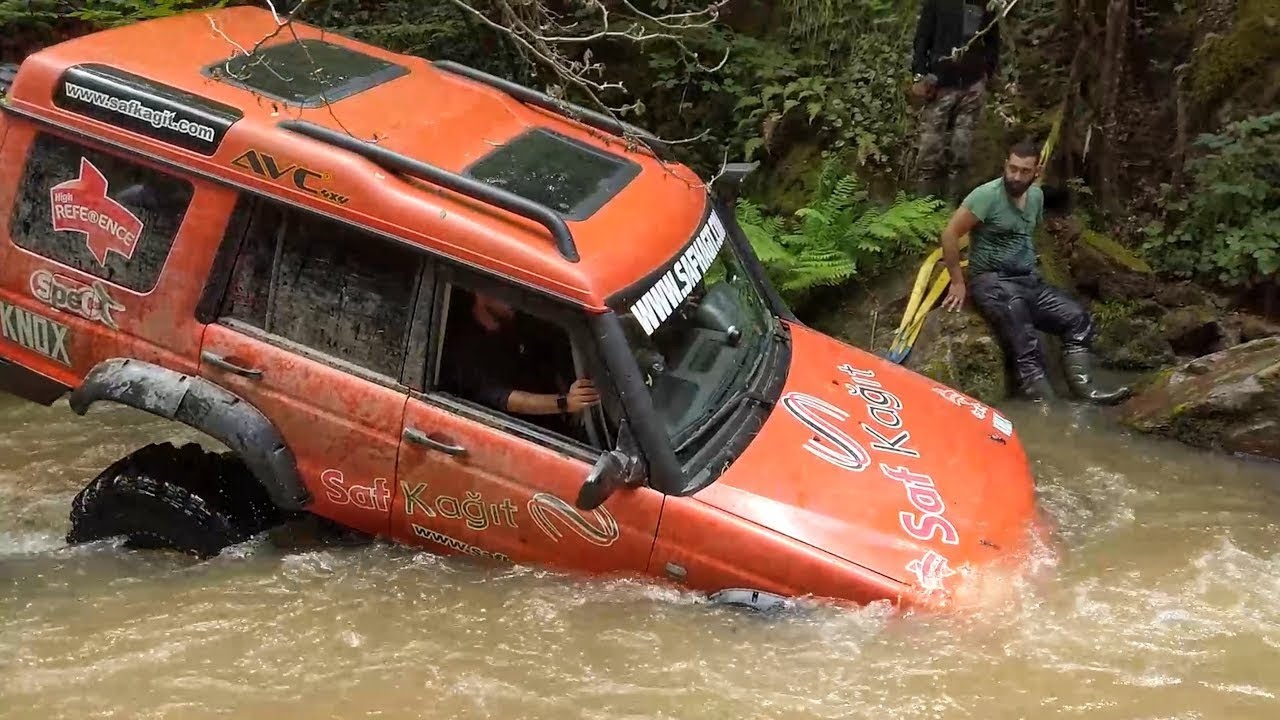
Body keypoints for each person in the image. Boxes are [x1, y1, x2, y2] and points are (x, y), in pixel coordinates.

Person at [938, 140, 1132, 405]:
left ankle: (1087, 392)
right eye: (1013, 169)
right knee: (1023, 331)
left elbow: (1027, 235)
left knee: (1076, 318)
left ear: (1036, 171)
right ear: (1005, 165)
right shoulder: (986, 196)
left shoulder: (1037, 197)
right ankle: (1045, 406)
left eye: (1024, 171)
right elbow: (949, 234)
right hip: (992, 280)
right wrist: (957, 282)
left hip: (1028, 282)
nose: (1016, 177)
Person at [444, 290, 600, 434]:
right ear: (482, 294)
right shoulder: (465, 350)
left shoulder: (518, 322)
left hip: (552, 422)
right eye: (506, 294)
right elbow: (506, 399)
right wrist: (565, 402)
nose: (514, 301)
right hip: (510, 431)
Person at [909, 0, 1001, 202]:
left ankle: (953, 210)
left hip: (971, 87)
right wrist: (919, 75)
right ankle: (920, 211)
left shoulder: (986, 4)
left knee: (961, 150)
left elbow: (993, 41)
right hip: (940, 85)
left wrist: (987, 72)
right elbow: (922, 38)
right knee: (929, 150)